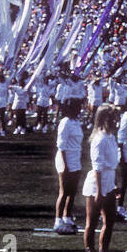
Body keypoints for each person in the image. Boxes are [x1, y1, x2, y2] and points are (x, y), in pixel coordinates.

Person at [80, 104, 121, 252]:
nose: (116, 122)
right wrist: (98, 191)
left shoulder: (110, 137)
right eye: (114, 119)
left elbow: (112, 164)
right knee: (92, 222)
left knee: (109, 220)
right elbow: (97, 167)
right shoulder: (99, 139)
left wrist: (113, 184)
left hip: (108, 182)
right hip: (96, 185)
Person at [54, 98, 84, 234]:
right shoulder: (65, 122)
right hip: (64, 159)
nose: (79, 110)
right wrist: (65, 166)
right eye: (77, 107)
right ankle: (58, 220)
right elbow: (61, 146)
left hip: (75, 159)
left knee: (72, 191)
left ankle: (67, 216)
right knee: (64, 191)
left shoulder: (76, 122)